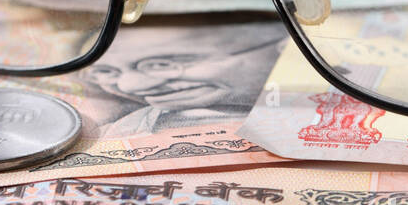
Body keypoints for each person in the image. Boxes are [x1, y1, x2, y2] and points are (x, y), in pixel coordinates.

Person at [85, 23, 285, 135]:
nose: (129, 86)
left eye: (161, 65)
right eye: (105, 72)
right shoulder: (120, 132)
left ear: (284, 46)